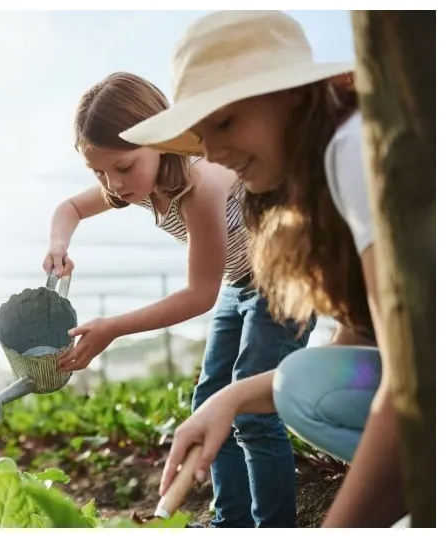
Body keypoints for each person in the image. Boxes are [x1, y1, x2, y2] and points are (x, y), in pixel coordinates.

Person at [120, 10, 409, 527]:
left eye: (225, 122)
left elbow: (414, 376)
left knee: (304, 383)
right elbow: (358, 347)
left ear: (293, 93)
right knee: (305, 382)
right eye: (202, 134)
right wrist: (229, 400)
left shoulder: (354, 150)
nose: (214, 154)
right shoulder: (310, 191)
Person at [44, 71, 315, 528]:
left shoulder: (198, 185)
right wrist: (58, 244)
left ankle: (275, 526)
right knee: (210, 402)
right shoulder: (132, 184)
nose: (113, 183)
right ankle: (231, 523)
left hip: (283, 279)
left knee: (251, 410)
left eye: (123, 167)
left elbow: (199, 295)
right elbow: (69, 208)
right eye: (99, 172)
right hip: (239, 284)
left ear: (161, 139)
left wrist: (113, 328)